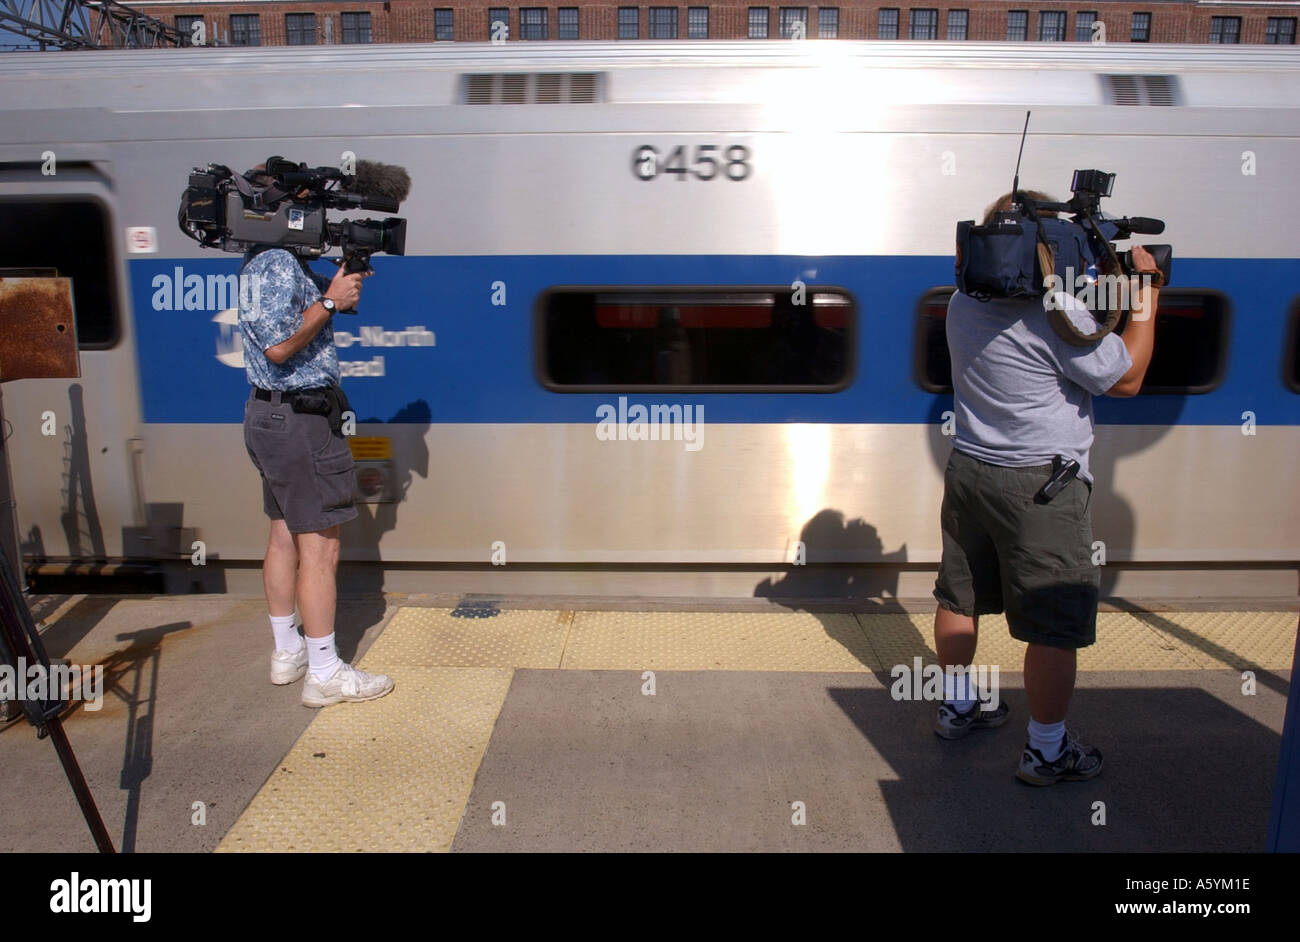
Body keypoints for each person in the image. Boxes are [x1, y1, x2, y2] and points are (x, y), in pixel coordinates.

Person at [932, 189, 1161, 785]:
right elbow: (1128, 380)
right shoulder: (1056, 315)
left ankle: (958, 707)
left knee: (960, 596)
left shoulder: (962, 301)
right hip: (1041, 486)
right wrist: (1147, 295)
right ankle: (1046, 751)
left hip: (969, 471)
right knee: (1053, 623)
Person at [239, 168, 394, 708]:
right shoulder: (278, 263)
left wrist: (335, 291)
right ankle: (324, 672)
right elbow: (282, 347)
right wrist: (329, 302)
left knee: (283, 535)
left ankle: (288, 653)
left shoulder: (268, 261)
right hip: (299, 422)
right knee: (320, 549)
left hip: (269, 417)